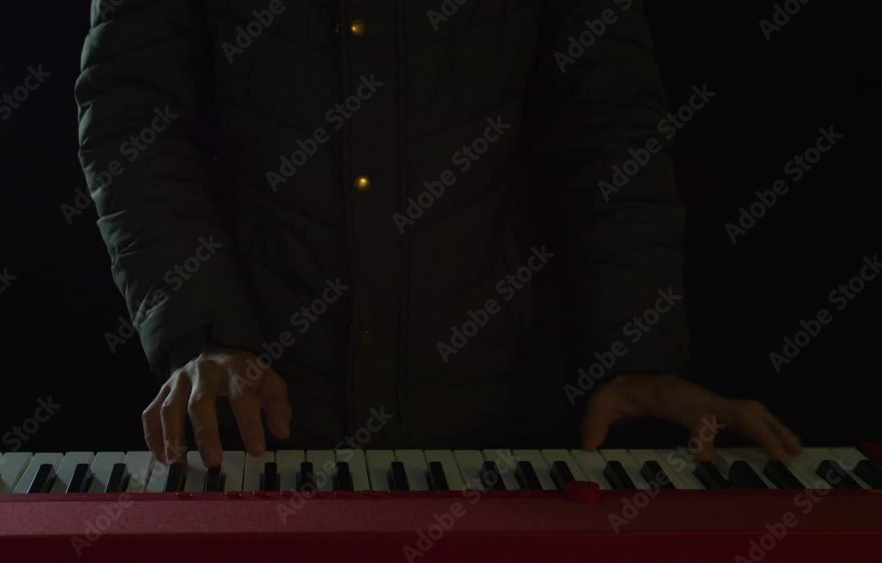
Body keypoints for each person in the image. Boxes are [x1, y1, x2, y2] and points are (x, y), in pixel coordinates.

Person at [75, 0, 801, 469]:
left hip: (502, 436)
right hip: (256, 425)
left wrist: (637, 352)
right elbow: (131, 123)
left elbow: (612, 133)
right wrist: (206, 334)